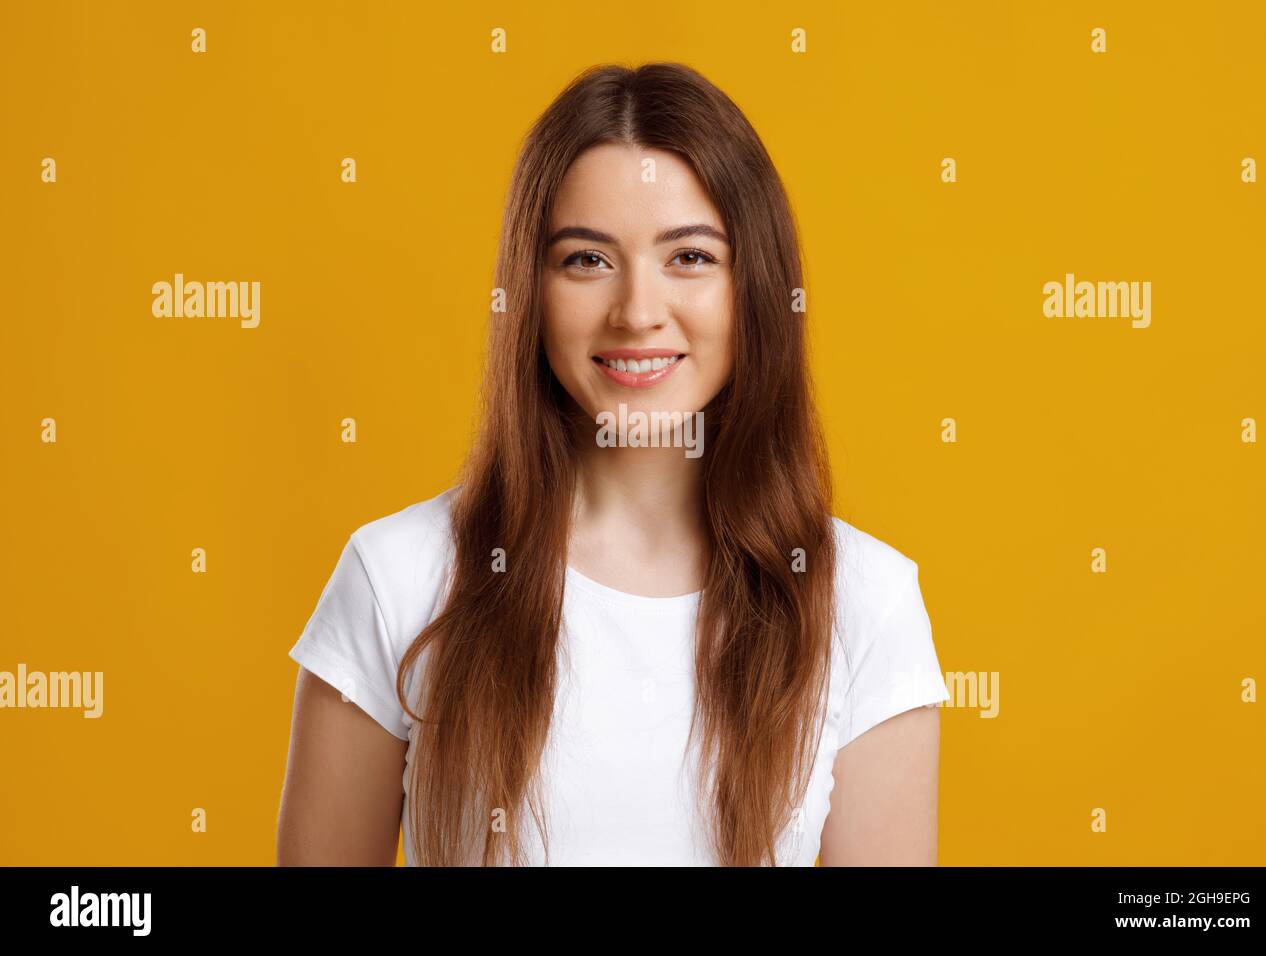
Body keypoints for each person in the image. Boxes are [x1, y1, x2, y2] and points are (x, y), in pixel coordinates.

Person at [276, 62, 950, 867]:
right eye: (587, 260)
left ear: (757, 289)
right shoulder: (397, 577)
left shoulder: (866, 604)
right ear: (530, 289)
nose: (635, 312)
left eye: (691, 258)